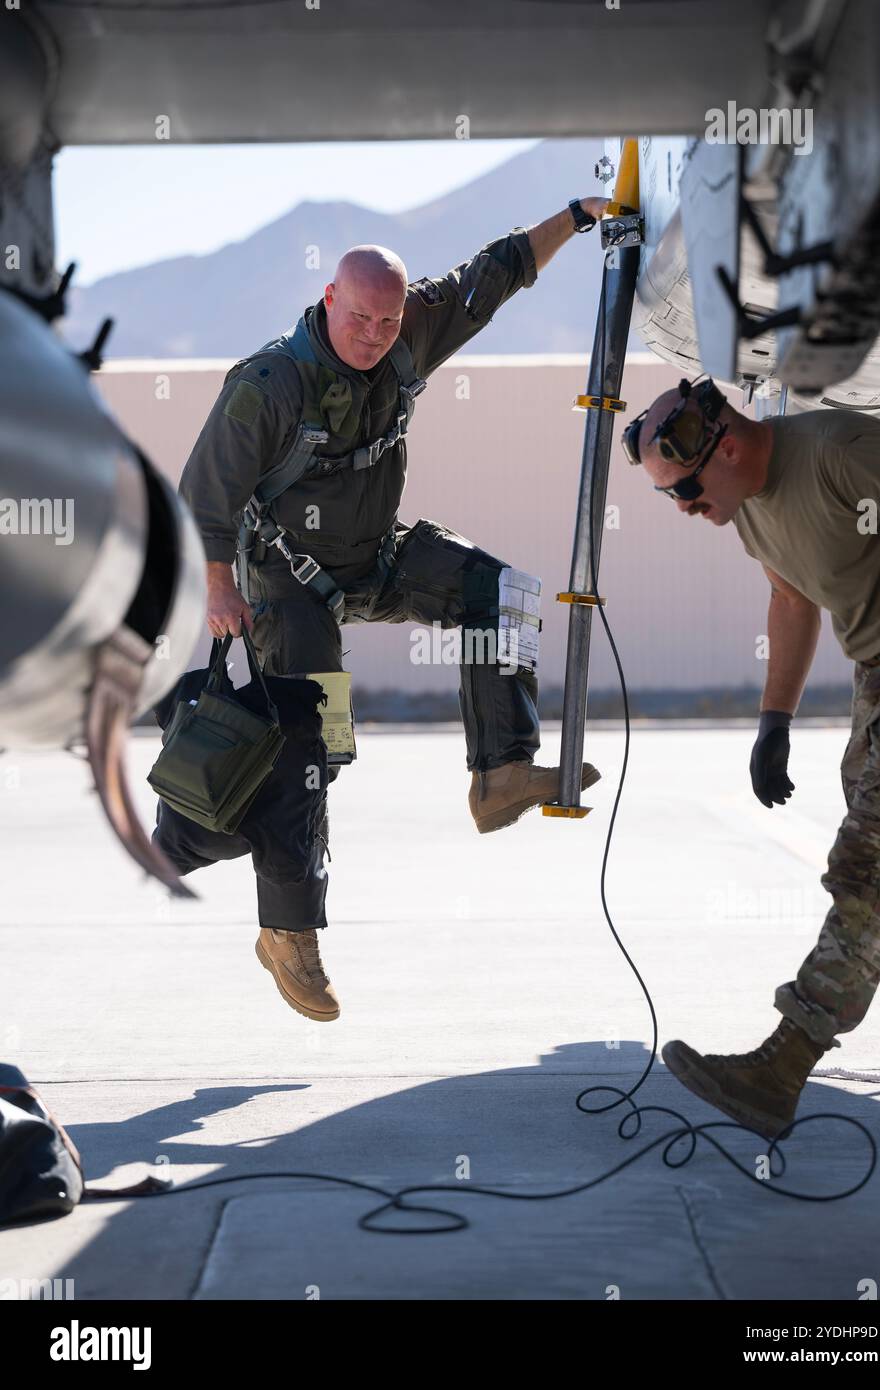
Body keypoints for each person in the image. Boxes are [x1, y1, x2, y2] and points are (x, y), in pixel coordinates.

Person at [169, 200, 609, 1023]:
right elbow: (203, 494)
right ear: (329, 302)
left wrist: (578, 216)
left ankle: (501, 772)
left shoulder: (409, 333)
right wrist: (218, 584)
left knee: (498, 593)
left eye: (388, 319)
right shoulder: (268, 385)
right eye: (361, 316)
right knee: (313, 748)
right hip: (291, 588)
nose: (375, 334)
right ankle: (287, 933)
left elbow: (496, 273)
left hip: (374, 560)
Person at [623, 378, 880, 1137]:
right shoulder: (748, 507)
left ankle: (782, 1066)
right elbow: (792, 601)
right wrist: (774, 720)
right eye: (669, 499)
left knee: (875, 868)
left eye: (686, 491)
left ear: (727, 444)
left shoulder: (838, 453)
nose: (687, 510)